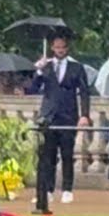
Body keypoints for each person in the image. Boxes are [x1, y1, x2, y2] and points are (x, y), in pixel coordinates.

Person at [30, 33, 91, 204]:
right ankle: (47, 189)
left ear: (67, 48)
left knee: (67, 154)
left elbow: (85, 92)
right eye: (57, 47)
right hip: (49, 116)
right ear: (52, 48)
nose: (60, 50)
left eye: (63, 47)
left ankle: (67, 189)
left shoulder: (76, 67)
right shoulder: (46, 66)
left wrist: (85, 114)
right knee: (47, 155)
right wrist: (39, 70)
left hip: (68, 115)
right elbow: (33, 88)